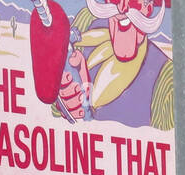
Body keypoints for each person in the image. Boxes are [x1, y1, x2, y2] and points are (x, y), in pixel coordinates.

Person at [56, 0, 173, 130]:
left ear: (149, 7)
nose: (122, 7)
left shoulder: (167, 81)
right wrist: (64, 95)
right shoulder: (87, 22)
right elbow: (53, 109)